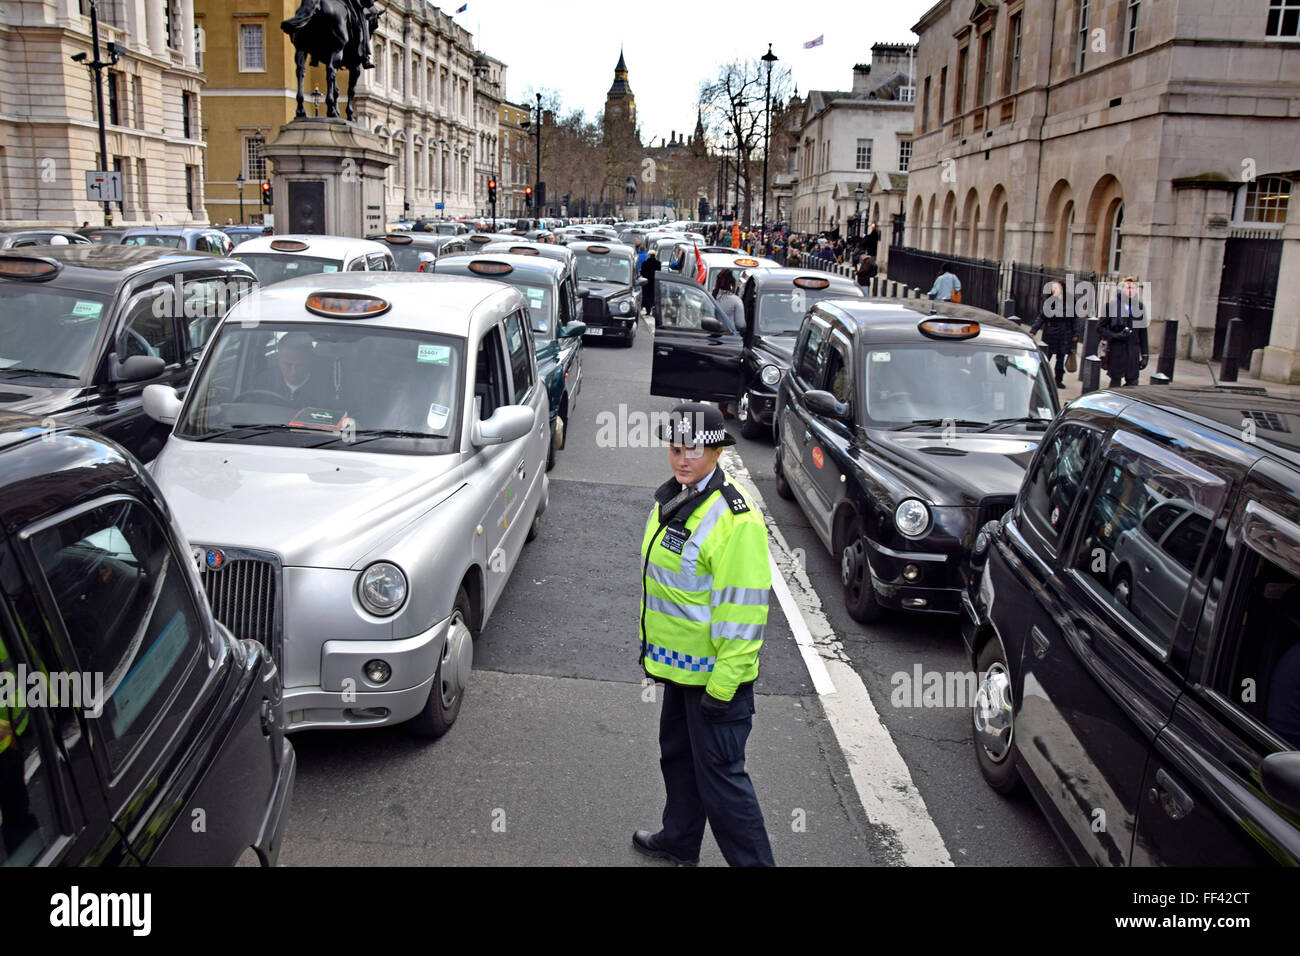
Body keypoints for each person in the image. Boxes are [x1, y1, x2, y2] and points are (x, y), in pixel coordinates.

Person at [633, 402, 775, 867]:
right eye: (675, 448)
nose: (681, 458)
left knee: (723, 783)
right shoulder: (678, 497)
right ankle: (679, 841)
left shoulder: (735, 520)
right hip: (681, 670)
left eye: (692, 448)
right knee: (678, 760)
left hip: (717, 680)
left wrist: (724, 682)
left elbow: (744, 613)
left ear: (716, 451)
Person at [1099, 276, 1148, 388]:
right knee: (1115, 384)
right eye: (1128, 288)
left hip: (1133, 353)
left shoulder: (1140, 307)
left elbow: (1143, 333)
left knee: (1133, 385)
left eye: (1134, 288)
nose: (1131, 290)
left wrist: (1145, 354)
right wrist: (1116, 335)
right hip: (1117, 352)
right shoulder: (1111, 306)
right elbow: (1100, 328)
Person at [1029, 280, 1077, 389]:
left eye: (1056, 287)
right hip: (1050, 332)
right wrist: (1033, 330)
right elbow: (1041, 317)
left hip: (1064, 333)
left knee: (1061, 357)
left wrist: (1075, 333)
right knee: (1046, 356)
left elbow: (1074, 318)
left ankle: (1058, 379)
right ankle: (1040, 377)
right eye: (1053, 288)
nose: (1054, 290)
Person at [640, 248, 660, 314]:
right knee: (653, 296)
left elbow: (642, 273)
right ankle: (653, 309)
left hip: (646, 283)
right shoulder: (658, 263)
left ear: (649, 255)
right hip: (654, 283)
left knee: (646, 296)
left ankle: (648, 310)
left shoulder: (645, 263)